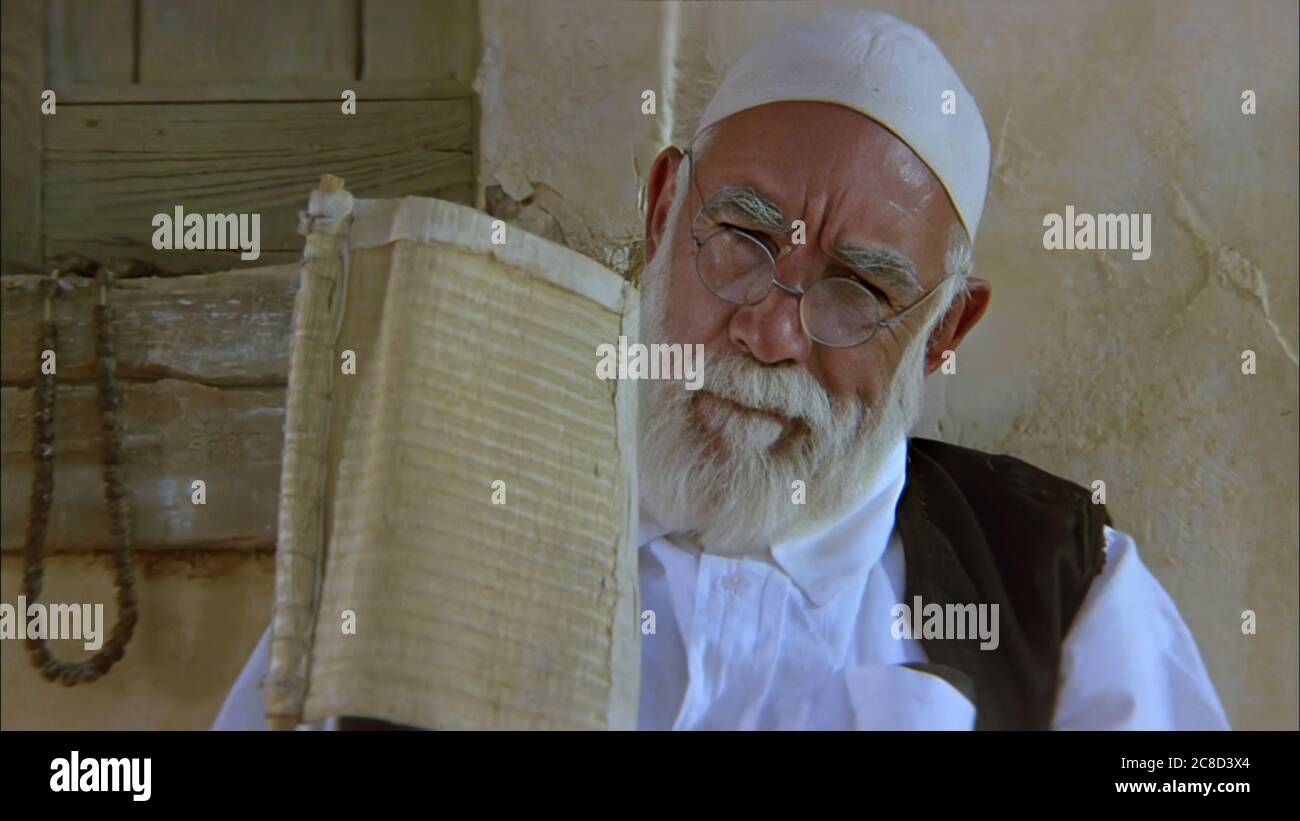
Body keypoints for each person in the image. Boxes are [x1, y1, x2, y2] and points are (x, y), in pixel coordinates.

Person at [215, 10, 1228, 731]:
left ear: (945, 326)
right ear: (662, 214)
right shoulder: (438, 523)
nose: (770, 331)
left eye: (857, 292)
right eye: (740, 239)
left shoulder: (1064, 589)